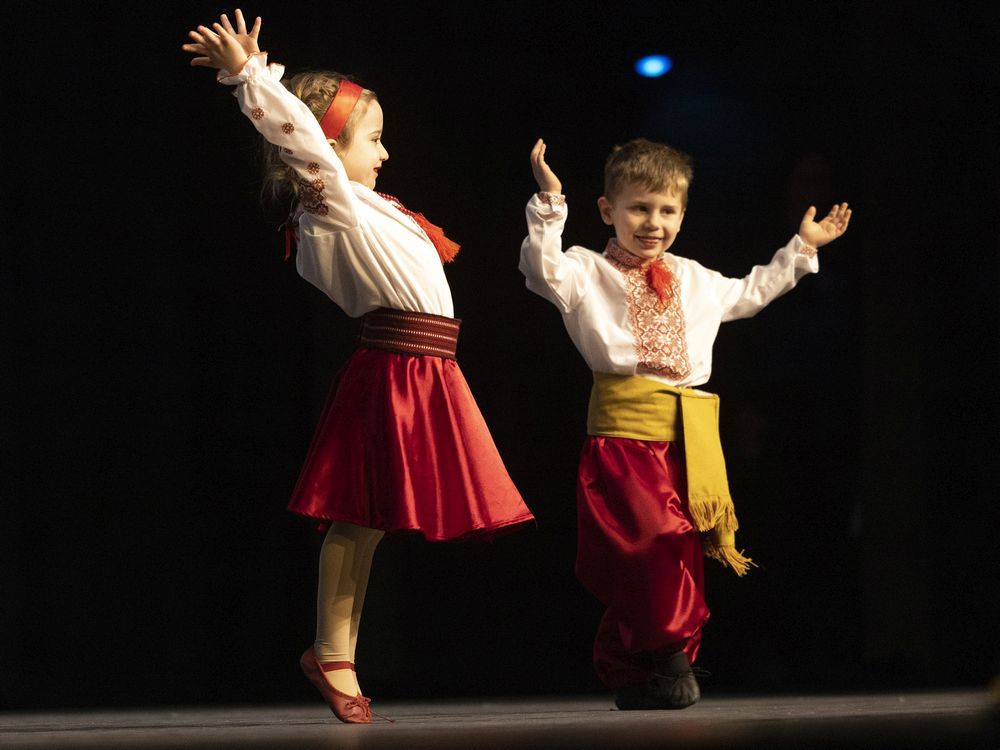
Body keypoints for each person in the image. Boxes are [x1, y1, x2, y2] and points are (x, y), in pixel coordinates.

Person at [183, 10, 534, 723]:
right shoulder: (331, 203)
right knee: (356, 518)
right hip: (397, 368)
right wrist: (252, 77)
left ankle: (334, 649)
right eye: (371, 138)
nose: (384, 152)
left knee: (369, 521)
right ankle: (333, 652)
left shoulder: (371, 204)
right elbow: (299, 138)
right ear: (328, 146)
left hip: (427, 368)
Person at [520, 137, 850, 709]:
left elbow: (750, 293)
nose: (653, 223)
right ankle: (670, 660)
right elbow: (540, 268)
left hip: (687, 442)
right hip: (624, 440)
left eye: (667, 210)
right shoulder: (585, 270)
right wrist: (550, 204)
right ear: (607, 210)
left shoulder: (693, 278)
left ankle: (632, 668)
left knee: (680, 555)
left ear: (682, 214)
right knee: (654, 545)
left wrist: (802, 247)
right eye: (639, 208)